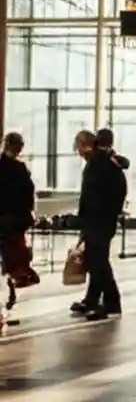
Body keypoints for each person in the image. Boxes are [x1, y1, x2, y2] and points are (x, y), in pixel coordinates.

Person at [72, 128, 129, 322]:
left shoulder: (97, 165)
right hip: (105, 219)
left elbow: (89, 196)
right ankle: (92, 299)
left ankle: (112, 302)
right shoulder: (110, 163)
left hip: (97, 220)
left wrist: (83, 220)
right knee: (96, 259)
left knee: (99, 262)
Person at [0, 132, 37, 330]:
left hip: (6, 222)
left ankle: (6, 303)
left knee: (9, 262)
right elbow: (29, 197)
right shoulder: (21, 170)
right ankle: (9, 298)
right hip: (14, 223)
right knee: (13, 262)